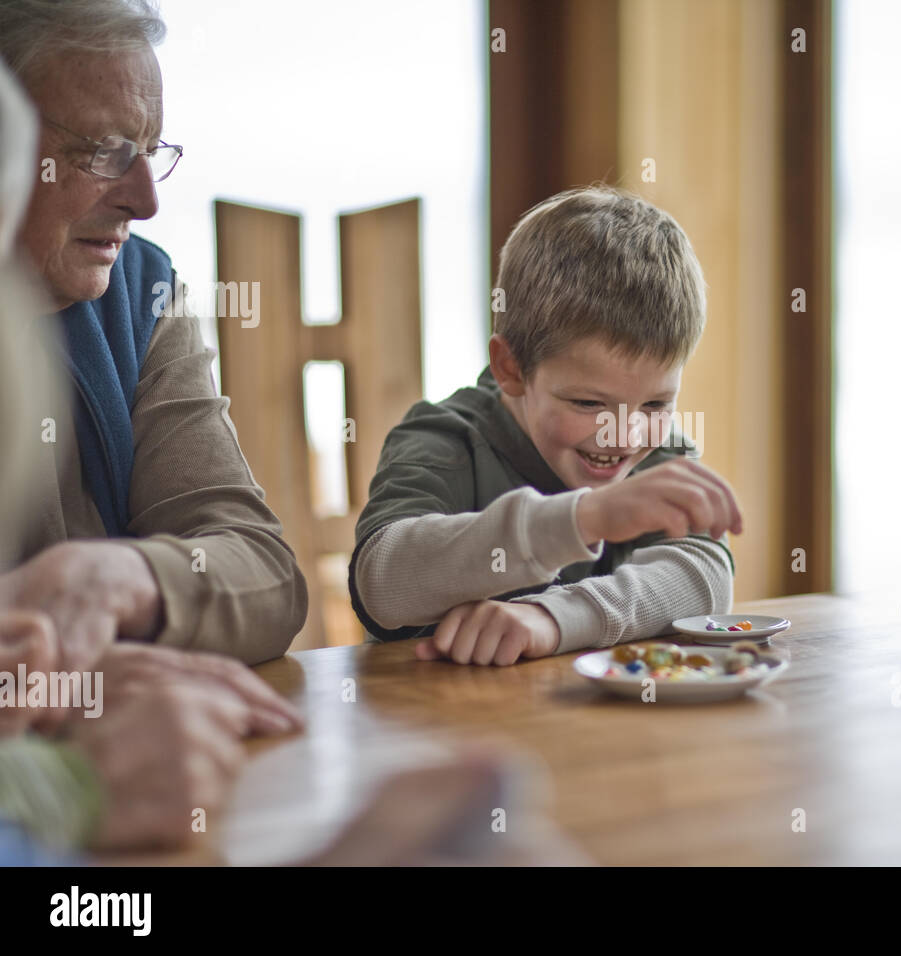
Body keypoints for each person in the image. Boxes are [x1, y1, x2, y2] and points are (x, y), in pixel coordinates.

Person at [0, 54, 303, 863]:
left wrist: (117, 580)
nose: (147, 197)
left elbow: (265, 573)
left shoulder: (142, 291)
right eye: (103, 148)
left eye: (152, 149)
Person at [350, 185, 742, 665]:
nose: (626, 435)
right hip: (442, 728)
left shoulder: (658, 452)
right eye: (588, 402)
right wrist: (584, 519)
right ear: (511, 368)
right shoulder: (443, 440)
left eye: (657, 403)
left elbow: (704, 577)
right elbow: (382, 584)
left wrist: (555, 618)